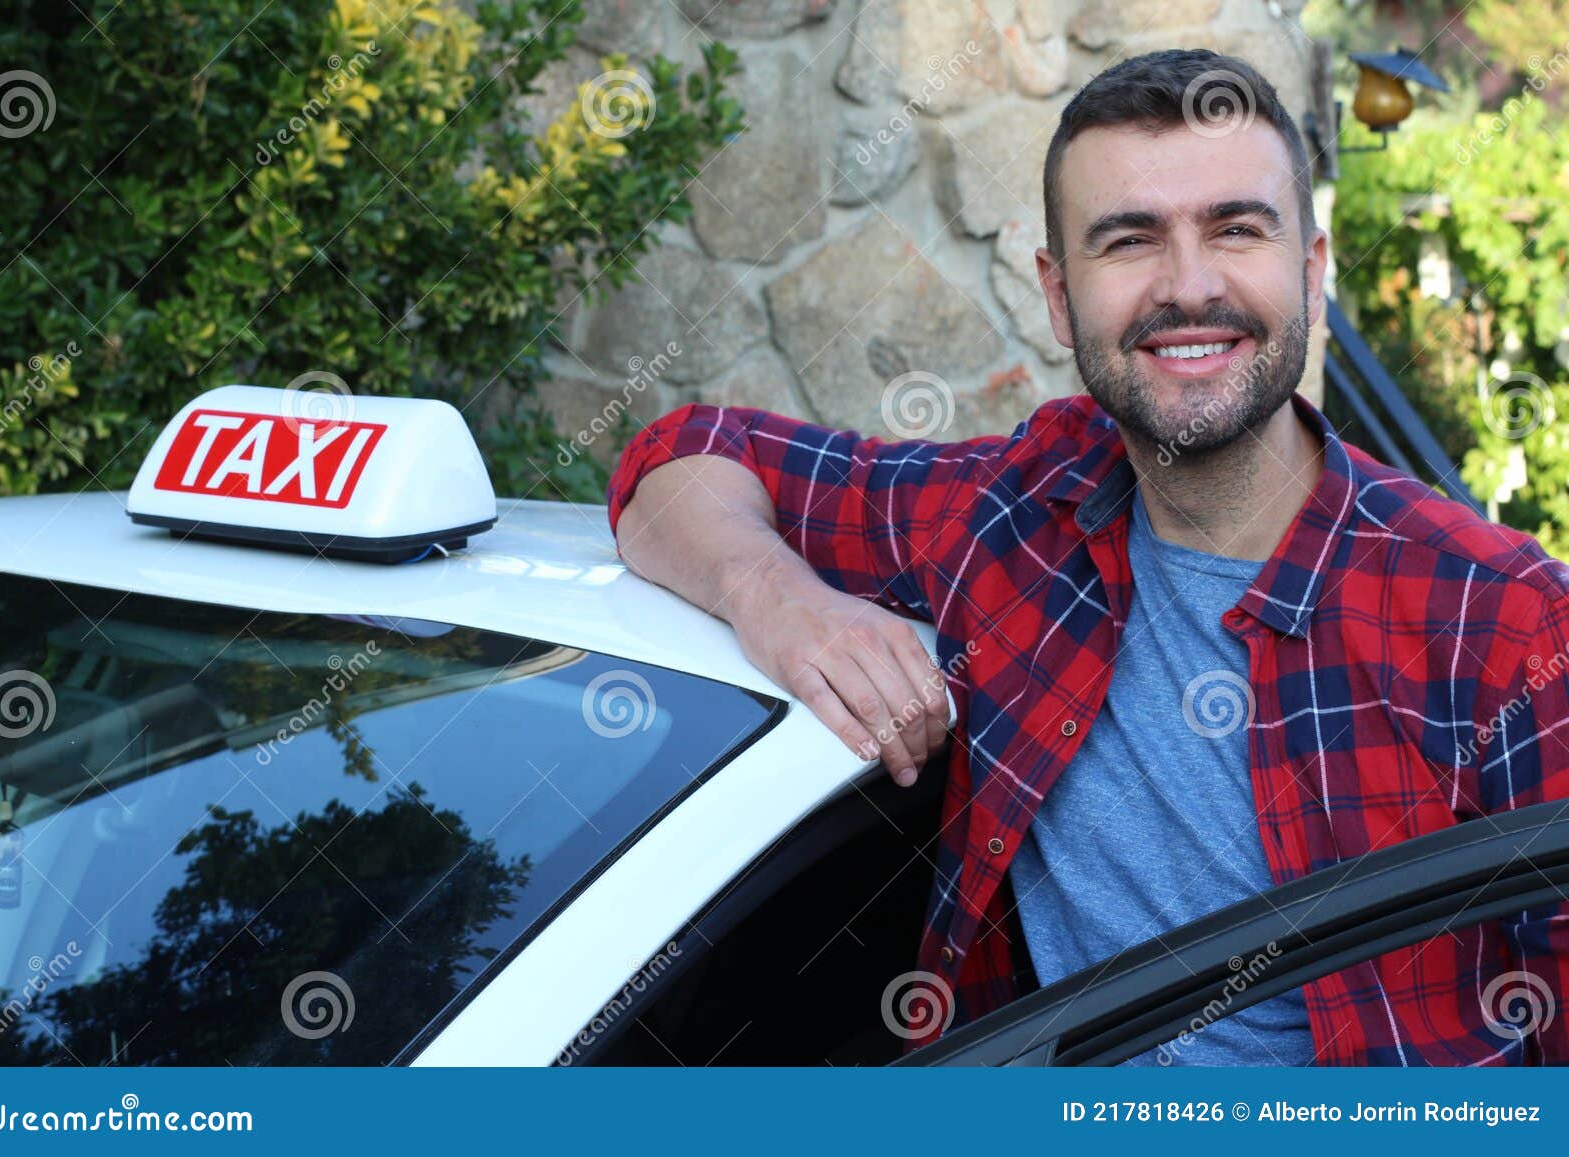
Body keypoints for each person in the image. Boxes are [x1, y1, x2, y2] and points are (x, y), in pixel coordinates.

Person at [603, 49, 1569, 1065]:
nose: (1188, 287)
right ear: (1059, 297)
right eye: (1128, 240)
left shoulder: (1507, 624)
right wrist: (781, 601)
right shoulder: (1017, 511)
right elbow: (678, 459)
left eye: (1236, 228)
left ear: (1312, 271)